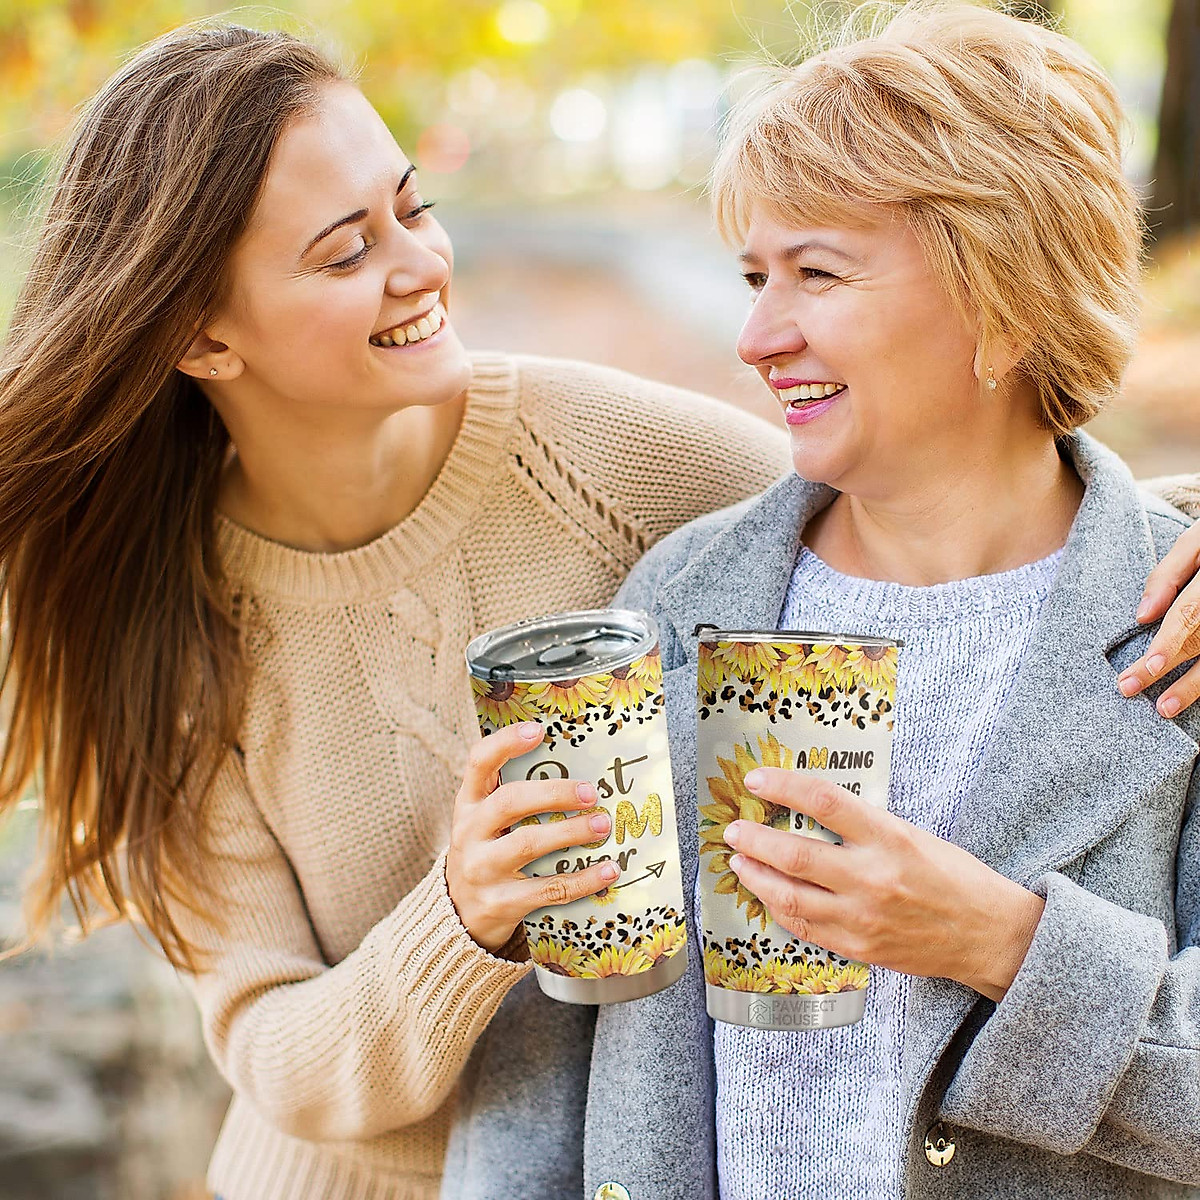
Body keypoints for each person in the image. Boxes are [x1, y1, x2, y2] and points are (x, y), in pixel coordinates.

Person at [0, 23, 793, 1200]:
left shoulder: (619, 460)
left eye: (413, 209)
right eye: (345, 253)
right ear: (200, 334)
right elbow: (273, 1050)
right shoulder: (163, 623)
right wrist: (461, 919)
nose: (421, 264)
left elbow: (926, 528)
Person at [442, 5, 1200, 1198]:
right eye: (754, 277)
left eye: (818, 274)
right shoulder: (677, 598)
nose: (756, 336)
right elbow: (546, 1080)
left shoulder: (1176, 628)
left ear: (1006, 293)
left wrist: (1003, 945)